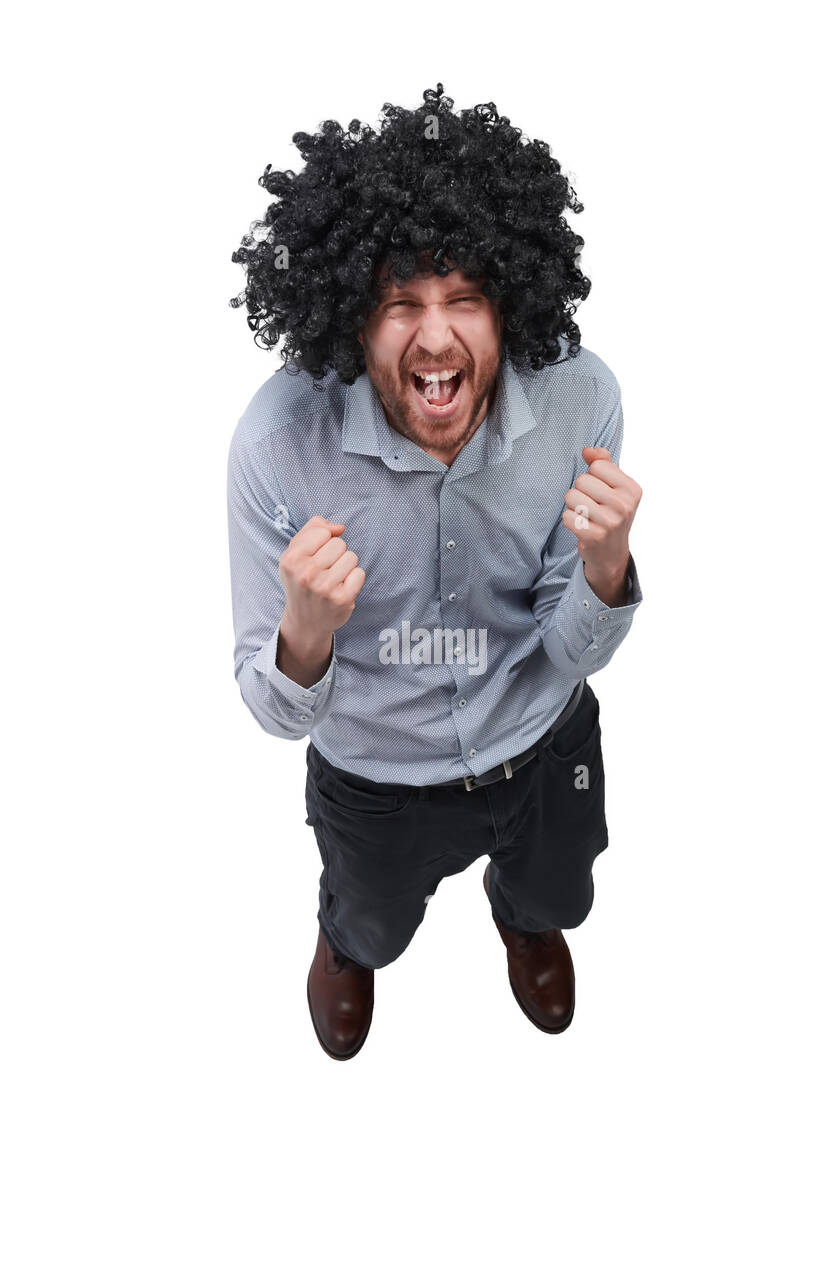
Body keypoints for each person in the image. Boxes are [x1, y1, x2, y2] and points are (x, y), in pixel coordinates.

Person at [228, 85, 644, 1060]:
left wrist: (603, 568)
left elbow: (571, 645)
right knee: (372, 922)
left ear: (508, 304)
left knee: (558, 891)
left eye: (465, 299)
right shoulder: (277, 446)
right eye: (399, 303)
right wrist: (304, 632)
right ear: (349, 317)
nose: (435, 336)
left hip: (541, 741)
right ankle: (347, 943)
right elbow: (270, 707)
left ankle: (524, 922)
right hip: (374, 777)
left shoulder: (581, 397)